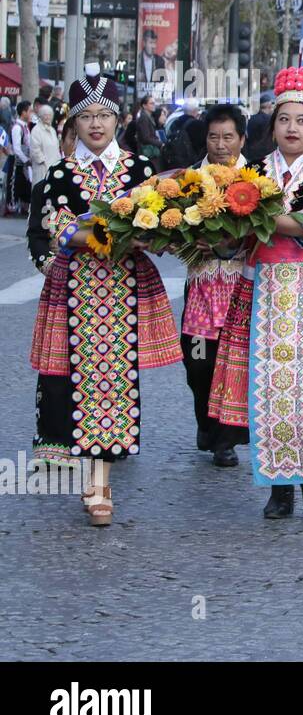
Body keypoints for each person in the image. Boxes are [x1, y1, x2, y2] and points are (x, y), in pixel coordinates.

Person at [207, 67, 303, 519]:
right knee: (268, 388)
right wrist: (213, 230)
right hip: (262, 287)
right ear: (271, 125)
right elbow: (232, 235)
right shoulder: (253, 169)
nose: (292, 128)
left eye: (301, 120)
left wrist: (249, 212)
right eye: (283, 119)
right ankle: (279, 487)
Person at [27, 70, 181, 525]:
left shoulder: (141, 170)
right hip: (76, 288)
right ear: (73, 123)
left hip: (123, 289)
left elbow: (160, 225)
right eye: (86, 116)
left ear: (119, 120)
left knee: (116, 381)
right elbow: (59, 229)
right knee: (76, 379)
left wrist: (153, 235)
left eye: (104, 115)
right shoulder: (58, 174)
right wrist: (114, 231)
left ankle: (100, 483)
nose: (96, 124)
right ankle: (85, 472)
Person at [179, 104, 248, 468]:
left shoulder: (257, 180)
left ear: (241, 139)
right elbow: (170, 232)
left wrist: (231, 244)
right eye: (214, 137)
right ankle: (206, 422)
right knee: (198, 363)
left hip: (243, 286)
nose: (220, 145)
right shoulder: (189, 180)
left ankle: (226, 440)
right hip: (202, 284)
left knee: (233, 363)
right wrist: (193, 244)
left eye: (228, 137)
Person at [6, 100, 33, 214]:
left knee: (24, 184)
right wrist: (26, 160)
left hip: (24, 161)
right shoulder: (17, 128)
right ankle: (11, 206)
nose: (31, 114)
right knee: (14, 184)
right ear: (23, 112)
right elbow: (17, 148)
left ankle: (23, 206)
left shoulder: (25, 127)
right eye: (30, 111)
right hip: (17, 161)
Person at [30, 104, 61, 185]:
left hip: (53, 166)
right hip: (42, 168)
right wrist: (43, 162)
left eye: (50, 115)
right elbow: (35, 150)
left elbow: (57, 148)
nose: (48, 117)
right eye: (45, 115)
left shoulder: (52, 130)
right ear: (41, 116)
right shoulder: (36, 130)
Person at [125, 94, 162, 161]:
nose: (154, 105)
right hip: (147, 152)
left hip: (150, 151)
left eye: (154, 103)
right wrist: (160, 143)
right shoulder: (143, 118)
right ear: (144, 106)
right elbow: (145, 138)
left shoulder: (149, 116)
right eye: (151, 103)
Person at [245, 91, 275, 160]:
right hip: (265, 155)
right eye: (271, 107)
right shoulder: (269, 119)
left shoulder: (251, 118)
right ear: (269, 106)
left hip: (251, 154)